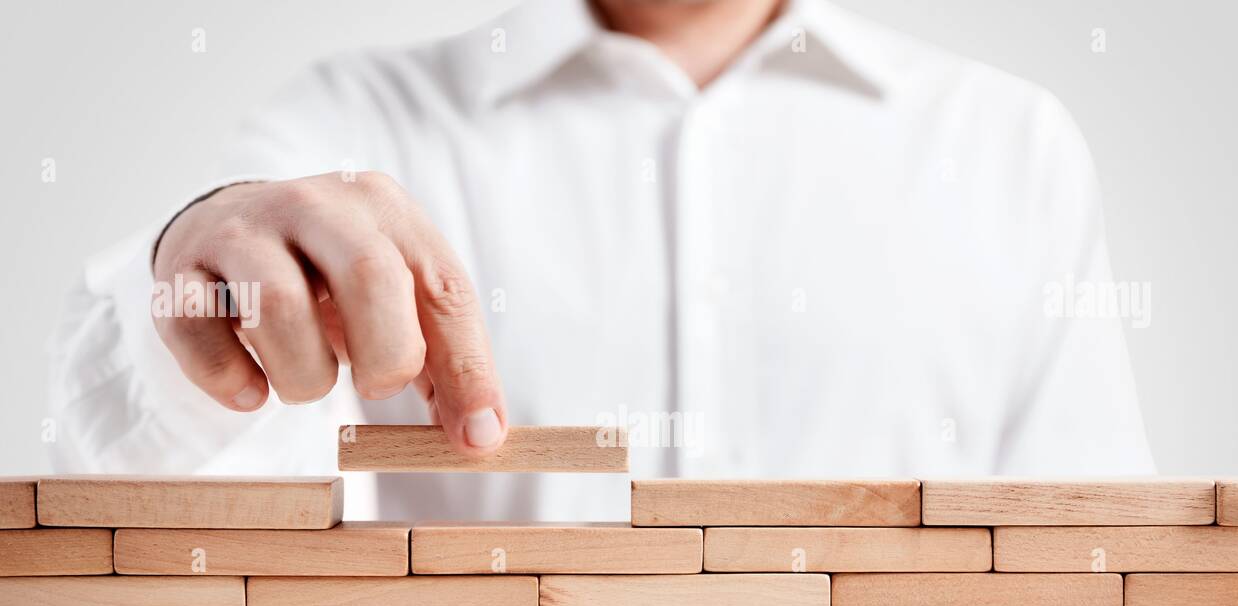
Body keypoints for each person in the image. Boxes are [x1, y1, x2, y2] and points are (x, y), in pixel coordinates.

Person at [51, 0, 1153, 521]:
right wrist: (190, 285)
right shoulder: (349, 125)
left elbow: (1098, 580)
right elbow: (164, 518)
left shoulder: (1010, 146)